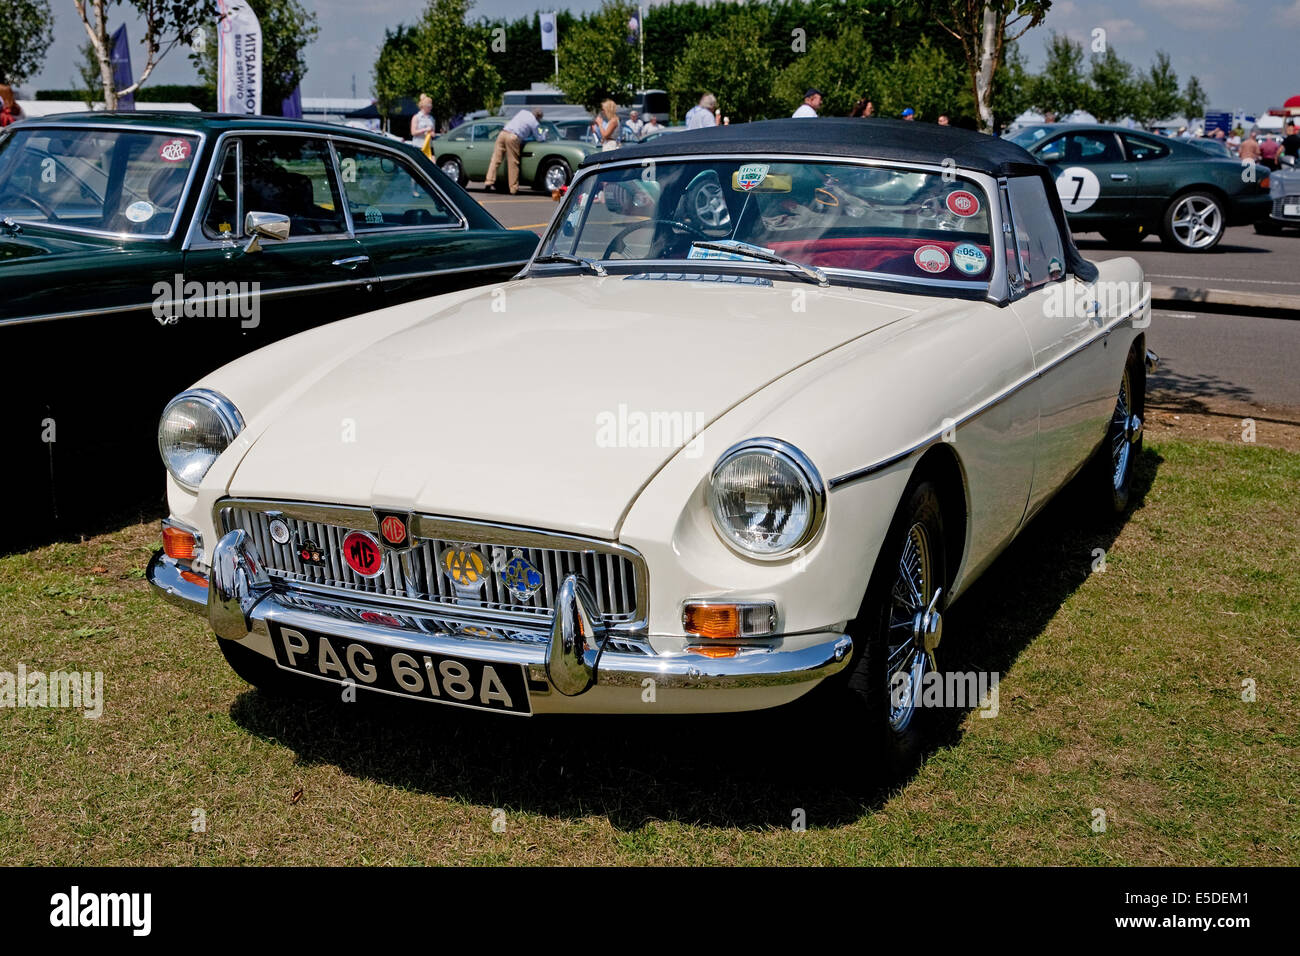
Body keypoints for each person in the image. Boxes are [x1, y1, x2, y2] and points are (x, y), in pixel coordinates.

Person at [484, 107, 546, 194]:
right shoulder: (534, 123)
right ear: (538, 117)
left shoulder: (523, 112)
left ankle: (488, 182)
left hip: (503, 133)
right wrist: (543, 134)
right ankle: (513, 188)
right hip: (513, 137)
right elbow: (540, 138)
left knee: (495, 159)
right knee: (513, 162)